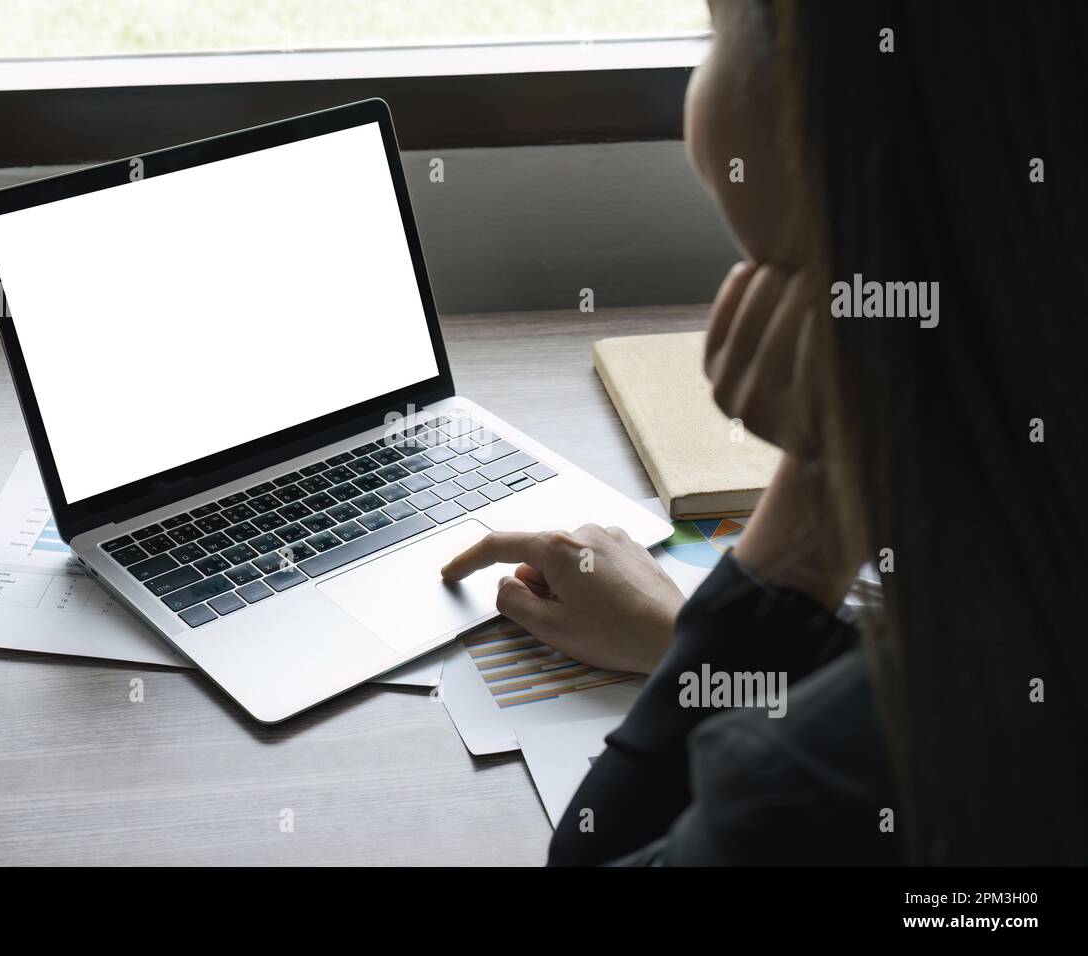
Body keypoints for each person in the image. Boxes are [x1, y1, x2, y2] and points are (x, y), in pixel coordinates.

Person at [441, 0, 1087, 865]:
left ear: (851, 105)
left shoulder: (842, 782)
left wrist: (807, 502)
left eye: (721, 26)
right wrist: (694, 644)